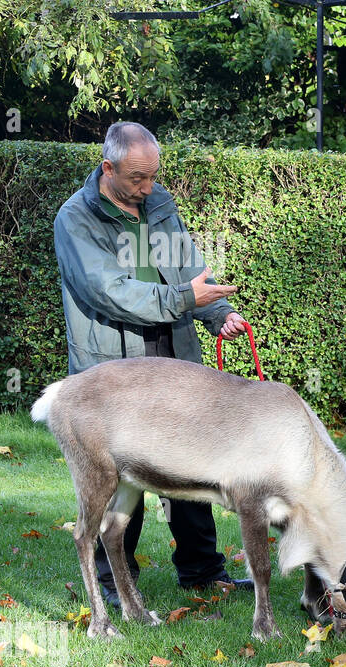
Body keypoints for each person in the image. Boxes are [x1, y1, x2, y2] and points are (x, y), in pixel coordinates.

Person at [52, 121, 255, 607]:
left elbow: (189, 273)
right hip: (114, 371)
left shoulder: (159, 205)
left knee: (190, 465)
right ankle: (111, 581)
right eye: (138, 178)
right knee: (120, 476)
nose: (148, 187)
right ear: (108, 168)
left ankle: (204, 572)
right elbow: (111, 293)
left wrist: (216, 312)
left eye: (153, 176)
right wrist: (187, 297)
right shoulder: (76, 218)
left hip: (173, 358)